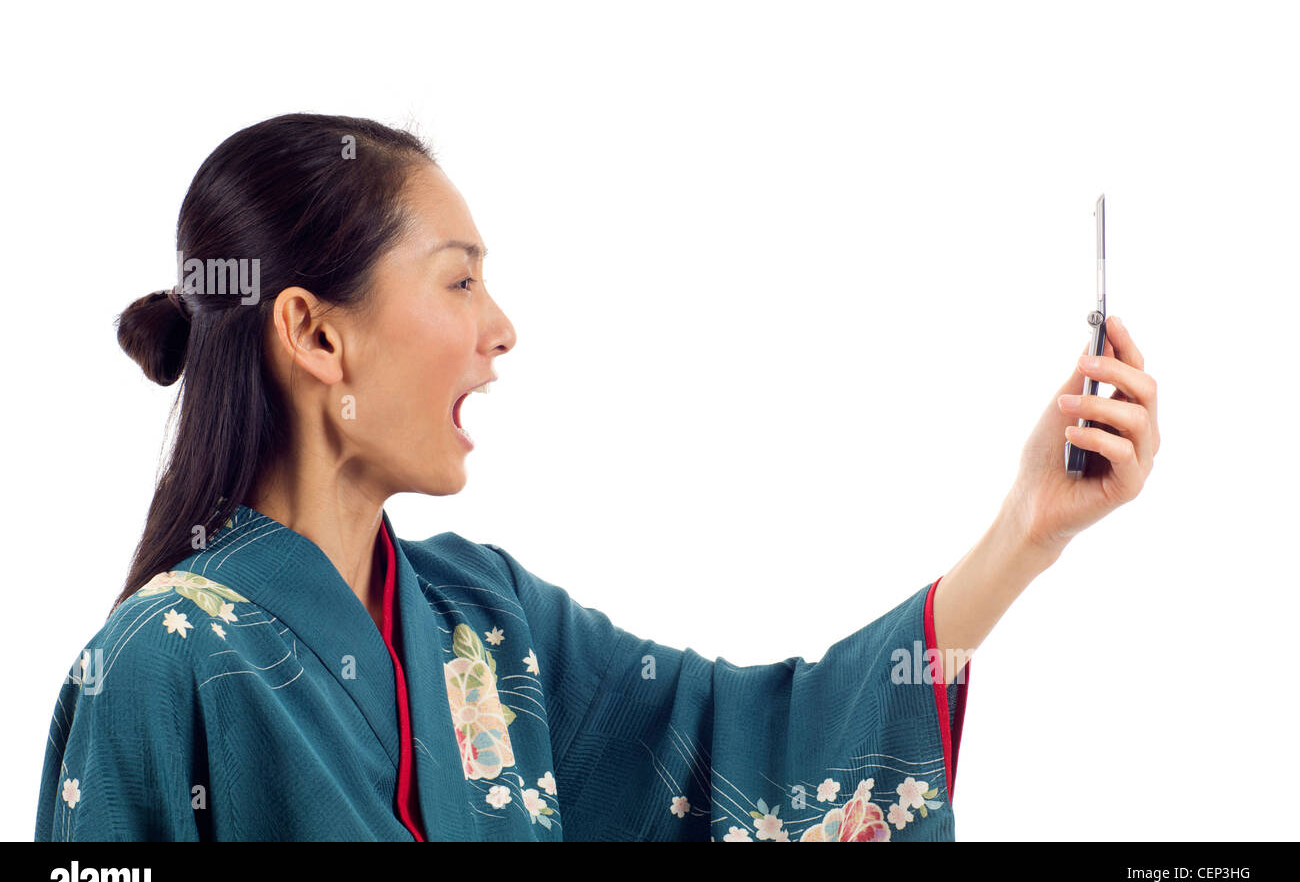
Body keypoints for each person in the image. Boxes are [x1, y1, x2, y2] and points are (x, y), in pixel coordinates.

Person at [34, 113, 1159, 842]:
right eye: (459, 282)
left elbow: (747, 743)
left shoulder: (485, 619)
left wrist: (1027, 527)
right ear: (317, 337)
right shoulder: (152, 665)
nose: (502, 328)